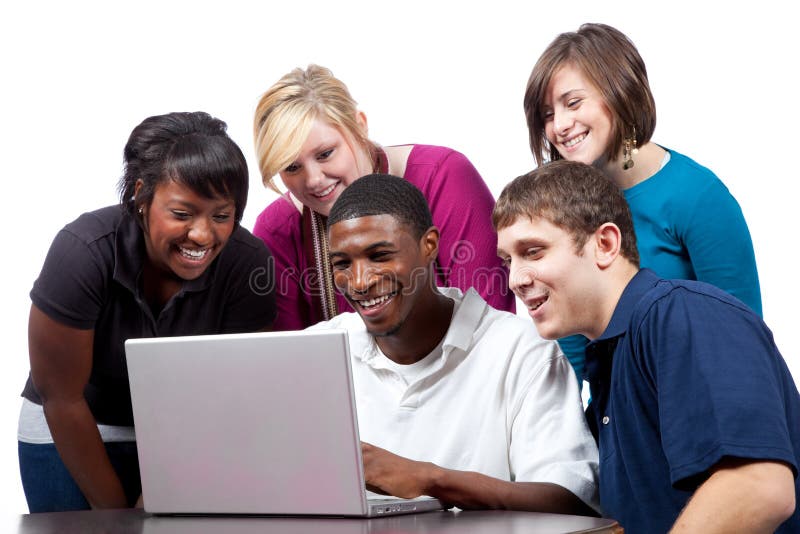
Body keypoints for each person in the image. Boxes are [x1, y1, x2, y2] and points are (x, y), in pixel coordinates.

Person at [494, 160, 799, 533]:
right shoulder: (610, 358)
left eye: (534, 251)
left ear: (605, 244)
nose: (514, 280)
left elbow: (760, 486)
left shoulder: (683, 313)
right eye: (508, 260)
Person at [18, 112, 277, 512]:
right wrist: (119, 518)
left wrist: (160, 494)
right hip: (71, 422)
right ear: (142, 195)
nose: (203, 235)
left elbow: (233, 397)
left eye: (221, 215)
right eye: (182, 213)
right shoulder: (82, 252)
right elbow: (61, 396)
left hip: (185, 434)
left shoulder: (248, 264)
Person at [307, 173, 599, 513]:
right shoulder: (314, 352)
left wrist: (429, 480)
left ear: (429, 245)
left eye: (380, 255)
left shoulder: (520, 351)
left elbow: (570, 499)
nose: (358, 282)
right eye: (342, 264)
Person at [523, 23, 761, 380]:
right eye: (547, 114)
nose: (560, 125)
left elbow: (744, 342)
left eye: (573, 103)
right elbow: (572, 361)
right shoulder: (561, 208)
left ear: (619, 92)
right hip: (616, 415)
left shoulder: (698, 197)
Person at [252, 64, 514, 330]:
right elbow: (287, 357)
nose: (314, 180)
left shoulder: (444, 177)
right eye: (292, 167)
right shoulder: (278, 228)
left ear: (359, 126)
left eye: (325, 154)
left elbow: (489, 328)